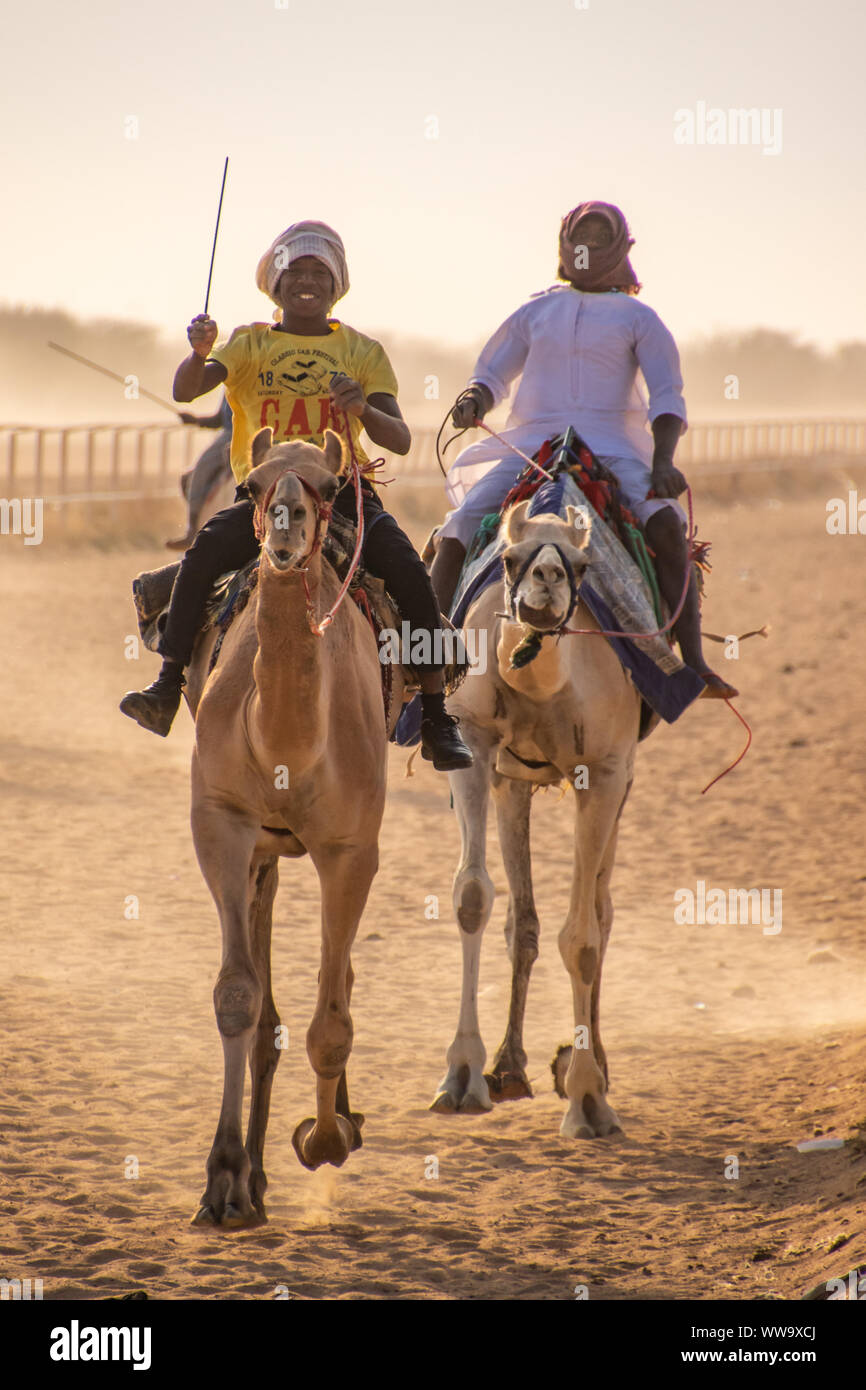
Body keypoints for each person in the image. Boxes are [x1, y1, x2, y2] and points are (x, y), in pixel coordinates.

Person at [120, 220, 473, 769]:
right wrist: (198, 353)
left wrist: (362, 410)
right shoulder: (248, 343)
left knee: (407, 572)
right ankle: (166, 685)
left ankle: (435, 715)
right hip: (263, 498)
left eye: (320, 273)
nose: (307, 281)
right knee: (204, 553)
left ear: (338, 286)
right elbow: (187, 389)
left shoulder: (362, 351)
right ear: (274, 285)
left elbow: (399, 438)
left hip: (342, 495)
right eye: (295, 272)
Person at [429, 202, 737, 699]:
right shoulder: (534, 312)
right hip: (530, 446)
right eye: (580, 239)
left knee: (667, 525)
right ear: (563, 244)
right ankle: (424, 650)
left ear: (619, 249)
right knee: (461, 524)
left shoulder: (641, 319)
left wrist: (662, 464)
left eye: (599, 240)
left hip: (613, 448)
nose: (586, 249)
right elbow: (490, 375)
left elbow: (667, 397)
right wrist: (474, 400)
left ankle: (694, 663)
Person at [165, 394, 233, 549]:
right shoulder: (231, 382)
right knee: (191, 476)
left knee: (200, 472)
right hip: (230, 434)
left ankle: (192, 531)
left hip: (240, 434)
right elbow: (220, 419)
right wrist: (196, 420)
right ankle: (193, 529)